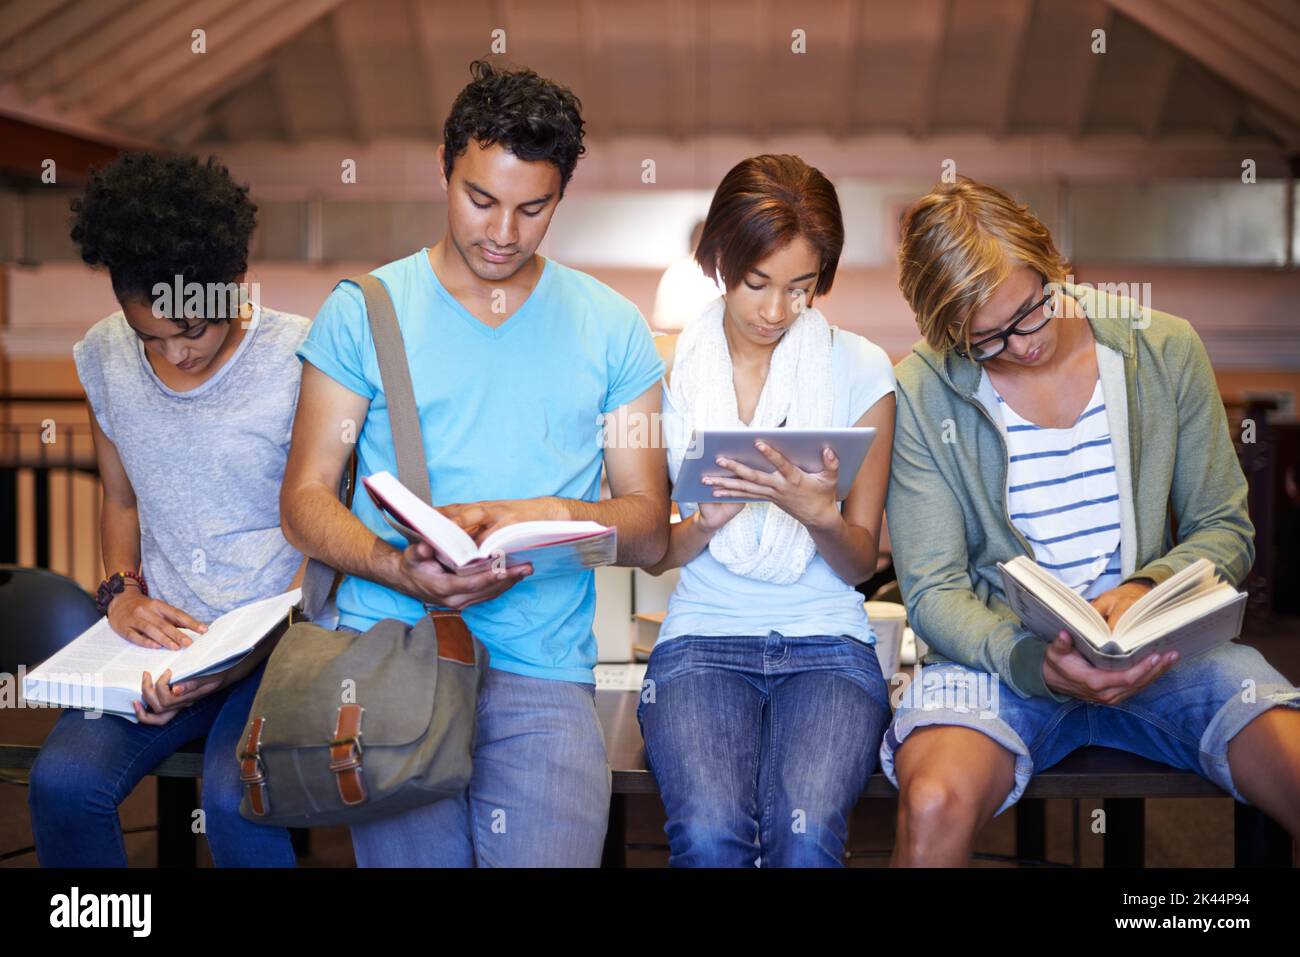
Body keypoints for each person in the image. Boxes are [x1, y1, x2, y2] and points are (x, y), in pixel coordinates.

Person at [279, 60, 669, 867]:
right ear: (444, 168)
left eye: (533, 208)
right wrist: (397, 566)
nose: (503, 233)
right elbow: (305, 499)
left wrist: (547, 514)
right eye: (480, 199)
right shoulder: (363, 312)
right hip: (390, 655)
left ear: (561, 196)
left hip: (543, 673)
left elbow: (649, 528)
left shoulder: (613, 328)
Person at [881, 175, 1300, 866]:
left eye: (1031, 311)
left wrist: (1142, 590)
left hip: (1164, 653)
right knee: (931, 805)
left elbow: (1225, 526)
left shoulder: (1162, 347)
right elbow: (934, 590)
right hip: (999, 659)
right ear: (950, 334)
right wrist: (1032, 663)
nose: (1022, 346)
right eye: (986, 340)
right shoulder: (922, 389)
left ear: (1052, 262)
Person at [28, 151, 306, 867]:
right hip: (161, 646)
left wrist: (248, 649)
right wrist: (121, 592)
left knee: (234, 800)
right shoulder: (103, 355)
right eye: (150, 336)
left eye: (192, 331)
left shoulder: (301, 356)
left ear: (232, 284)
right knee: (63, 783)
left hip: (279, 643)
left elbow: (328, 521)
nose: (175, 354)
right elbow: (120, 498)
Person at [639, 154, 897, 867]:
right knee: (710, 833)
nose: (776, 311)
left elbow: (859, 563)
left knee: (804, 836)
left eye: (800, 288)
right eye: (757, 283)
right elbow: (652, 554)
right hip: (701, 640)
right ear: (720, 260)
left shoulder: (862, 368)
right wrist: (703, 523)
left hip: (829, 644)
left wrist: (818, 515)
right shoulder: (666, 373)